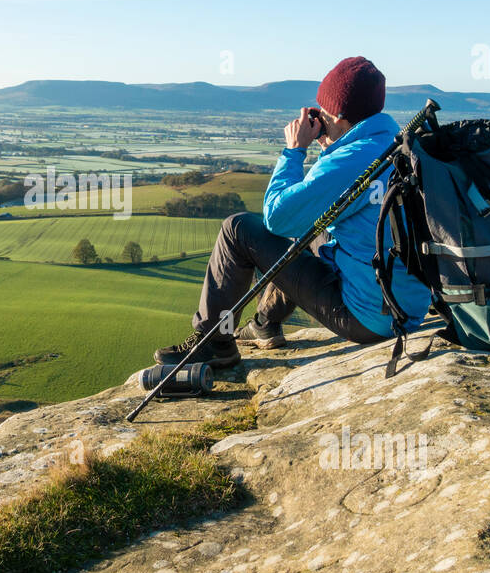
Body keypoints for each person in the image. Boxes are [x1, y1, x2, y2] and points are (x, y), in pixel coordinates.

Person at [154, 56, 432, 369]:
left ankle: (214, 343)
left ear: (338, 114)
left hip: (370, 318)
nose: (319, 115)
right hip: (407, 306)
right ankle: (264, 323)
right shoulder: (395, 143)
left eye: (323, 109)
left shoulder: (352, 158)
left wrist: (294, 151)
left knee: (238, 230)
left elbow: (278, 215)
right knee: (314, 229)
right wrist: (331, 148)